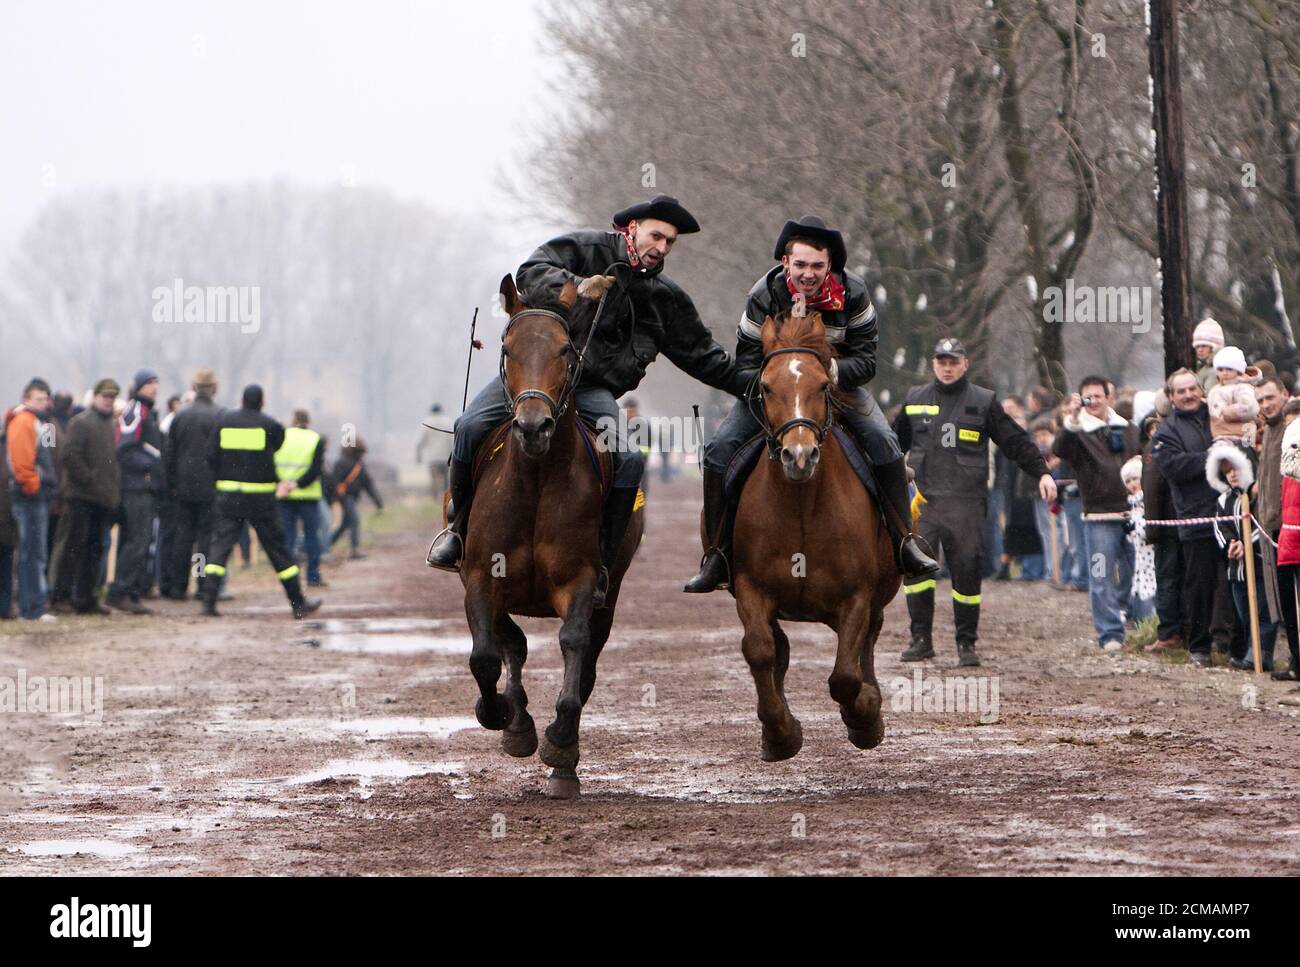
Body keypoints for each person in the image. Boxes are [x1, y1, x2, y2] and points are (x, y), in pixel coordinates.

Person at [426, 194, 750, 609]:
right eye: (656, 236)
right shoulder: (585, 247)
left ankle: (603, 556)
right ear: (630, 230)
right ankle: (457, 531)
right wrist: (578, 286)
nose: (662, 247)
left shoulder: (662, 297)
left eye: (670, 242)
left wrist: (760, 386)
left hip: (590, 387)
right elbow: (529, 273)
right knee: (469, 426)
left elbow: (704, 356)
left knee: (629, 456)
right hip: (537, 375)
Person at [685, 215, 938, 593]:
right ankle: (717, 555)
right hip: (773, 392)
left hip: (837, 386)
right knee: (718, 449)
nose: (808, 273)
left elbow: (867, 362)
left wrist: (825, 373)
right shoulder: (762, 296)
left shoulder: (854, 293)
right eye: (800, 264)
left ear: (830, 265)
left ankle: (905, 544)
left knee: (885, 443)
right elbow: (746, 364)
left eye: (817, 265)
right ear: (785, 262)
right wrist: (783, 382)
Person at [892, 338, 1056, 667]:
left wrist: (1042, 472)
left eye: (954, 361)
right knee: (917, 573)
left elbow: (1014, 441)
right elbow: (892, 447)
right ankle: (920, 638)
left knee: (967, 572)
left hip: (966, 504)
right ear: (934, 364)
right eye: (942, 361)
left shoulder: (984, 401)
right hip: (924, 504)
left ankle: (966, 643)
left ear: (965, 364)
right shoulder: (915, 399)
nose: (948, 367)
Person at [201, 385, 321, 619]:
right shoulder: (270, 425)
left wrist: (223, 477)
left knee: (219, 548)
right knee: (278, 550)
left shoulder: (224, 421)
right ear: (262, 402)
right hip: (261, 498)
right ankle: (297, 603)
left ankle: (208, 602)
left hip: (229, 495)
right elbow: (275, 448)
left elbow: (210, 455)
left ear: (242, 399)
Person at [1052, 376, 1141, 650]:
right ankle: (1110, 633)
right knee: (1101, 577)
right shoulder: (1078, 434)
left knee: (1137, 573)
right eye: (1087, 397)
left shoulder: (1128, 429)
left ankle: (1137, 622)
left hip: (1133, 513)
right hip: (1099, 516)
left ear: (1108, 398)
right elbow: (1060, 449)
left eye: (1097, 396)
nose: (1093, 402)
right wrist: (1073, 419)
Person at [1152, 369, 1219, 667]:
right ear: (1171, 397)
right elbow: (1173, 467)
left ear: (1201, 389)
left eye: (1193, 388)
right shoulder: (1167, 432)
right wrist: (1211, 458)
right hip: (1195, 518)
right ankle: (1200, 646)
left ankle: (1240, 644)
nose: (1189, 394)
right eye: (1182, 391)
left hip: (1232, 514)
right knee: (1200, 585)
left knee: (1238, 584)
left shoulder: (1217, 416)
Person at [54, 379, 120, 614]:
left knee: (95, 551)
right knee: (72, 548)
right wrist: (89, 479)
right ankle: (60, 597)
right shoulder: (81, 423)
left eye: (112, 397)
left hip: (101, 499)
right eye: (105, 396)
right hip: (80, 498)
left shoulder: (111, 425)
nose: (108, 401)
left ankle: (86, 598)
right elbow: (70, 456)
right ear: (95, 397)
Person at [1209, 447, 1275, 670]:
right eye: (1227, 471)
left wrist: (1247, 543)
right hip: (1236, 568)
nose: (1232, 474)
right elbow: (1220, 527)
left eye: (1235, 469)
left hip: (1259, 564)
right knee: (1245, 613)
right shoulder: (1223, 500)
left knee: (1263, 612)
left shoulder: (1257, 495)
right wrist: (1231, 544)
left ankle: (1260, 654)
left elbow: (1264, 523)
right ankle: (1252, 651)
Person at [106, 369, 163, 614]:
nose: (154, 388)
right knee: (137, 540)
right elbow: (125, 449)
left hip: (143, 487)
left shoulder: (145, 412)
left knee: (138, 539)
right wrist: (150, 467)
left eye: (156, 383)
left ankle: (128, 590)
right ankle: (121, 591)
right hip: (135, 487)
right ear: (138, 386)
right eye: (150, 383)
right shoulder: (135, 411)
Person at [163, 369, 221, 600]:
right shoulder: (219, 415)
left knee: (183, 537)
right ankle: (203, 586)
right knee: (205, 538)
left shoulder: (180, 416)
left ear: (194, 388)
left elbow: (169, 453)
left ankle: (178, 586)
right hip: (210, 486)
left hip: (184, 487)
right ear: (214, 389)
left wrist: (173, 482)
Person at [5, 378, 58, 622]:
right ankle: (32, 608)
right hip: (29, 497)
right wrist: (35, 485)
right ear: (26, 399)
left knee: (35, 553)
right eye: (38, 398)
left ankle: (35, 605)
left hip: (35, 495)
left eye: (45, 398)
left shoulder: (37, 423)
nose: (43, 403)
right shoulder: (24, 422)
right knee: (31, 554)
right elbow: (22, 464)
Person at [1141, 403, 1186, 653]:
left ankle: (1170, 633)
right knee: (1183, 579)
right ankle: (1183, 630)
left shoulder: (1157, 444)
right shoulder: (1185, 438)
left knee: (1168, 579)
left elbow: (1152, 488)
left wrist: (1153, 529)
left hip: (1168, 525)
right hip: (1183, 521)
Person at [275, 409, 327, 586]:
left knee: (288, 538)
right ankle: (313, 576)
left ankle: (290, 578)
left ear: (293, 419)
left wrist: (283, 483)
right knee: (312, 536)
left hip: (284, 495)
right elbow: (316, 469)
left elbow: (271, 461)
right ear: (308, 421)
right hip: (308, 495)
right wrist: (298, 484)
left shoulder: (282, 436)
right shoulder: (315, 439)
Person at [329, 439, 382, 559]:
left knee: (345, 524)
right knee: (354, 521)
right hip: (346, 497)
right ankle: (354, 550)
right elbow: (335, 482)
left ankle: (326, 545)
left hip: (349, 497)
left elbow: (368, 485)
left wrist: (378, 502)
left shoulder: (355, 464)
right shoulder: (343, 463)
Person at [1120, 456, 1156, 624]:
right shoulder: (1133, 502)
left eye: (1135, 478)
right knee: (1140, 584)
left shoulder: (1145, 498)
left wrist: (1136, 528)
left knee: (1150, 585)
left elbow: (1150, 523)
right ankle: (1141, 618)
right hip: (1140, 551)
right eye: (1128, 481)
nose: (1132, 484)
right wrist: (1130, 530)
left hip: (1151, 550)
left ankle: (1150, 620)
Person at [1206, 346, 1261, 447]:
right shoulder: (1215, 389)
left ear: (1238, 371)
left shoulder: (1242, 387)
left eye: (1229, 369)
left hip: (1243, 433)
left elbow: (1251, 406)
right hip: (1221, 433)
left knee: (1246, 454)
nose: (1225, 373)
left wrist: (1231, 412)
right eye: (1221, 369)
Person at [415, 404, 453, 499]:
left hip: (433, 457)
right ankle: (446, 497)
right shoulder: (448, 422)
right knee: (445, 479)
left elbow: (420, 441)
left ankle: (435, 498)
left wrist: (418, 455)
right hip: (446, 456)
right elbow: (453, 439)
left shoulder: (427, 422)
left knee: (434, 479)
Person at [1192, 317, 1225, 393]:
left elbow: (1210, 397)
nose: (1200, 350)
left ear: (1215, 347)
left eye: (1204, 346)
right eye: (1197, 346)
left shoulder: (1215, 371)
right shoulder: (1202, 366)